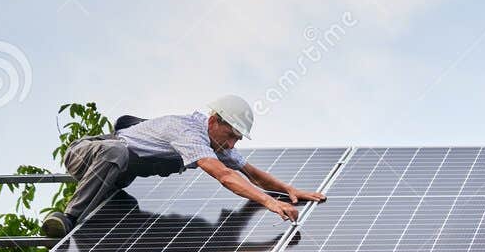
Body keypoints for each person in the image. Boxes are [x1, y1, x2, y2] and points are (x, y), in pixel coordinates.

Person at [41, 95, 326, 237]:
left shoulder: (215, 142)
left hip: (116, 173)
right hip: (87, 153)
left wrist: (287, 189)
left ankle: (98, 201)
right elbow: (225, 176)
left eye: (237, 140)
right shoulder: (188, 132)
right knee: (117, 151)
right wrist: (269, 203)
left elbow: (249, 172)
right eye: (231, 136)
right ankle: (68, 217)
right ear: (214, 121)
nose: (232, 145)